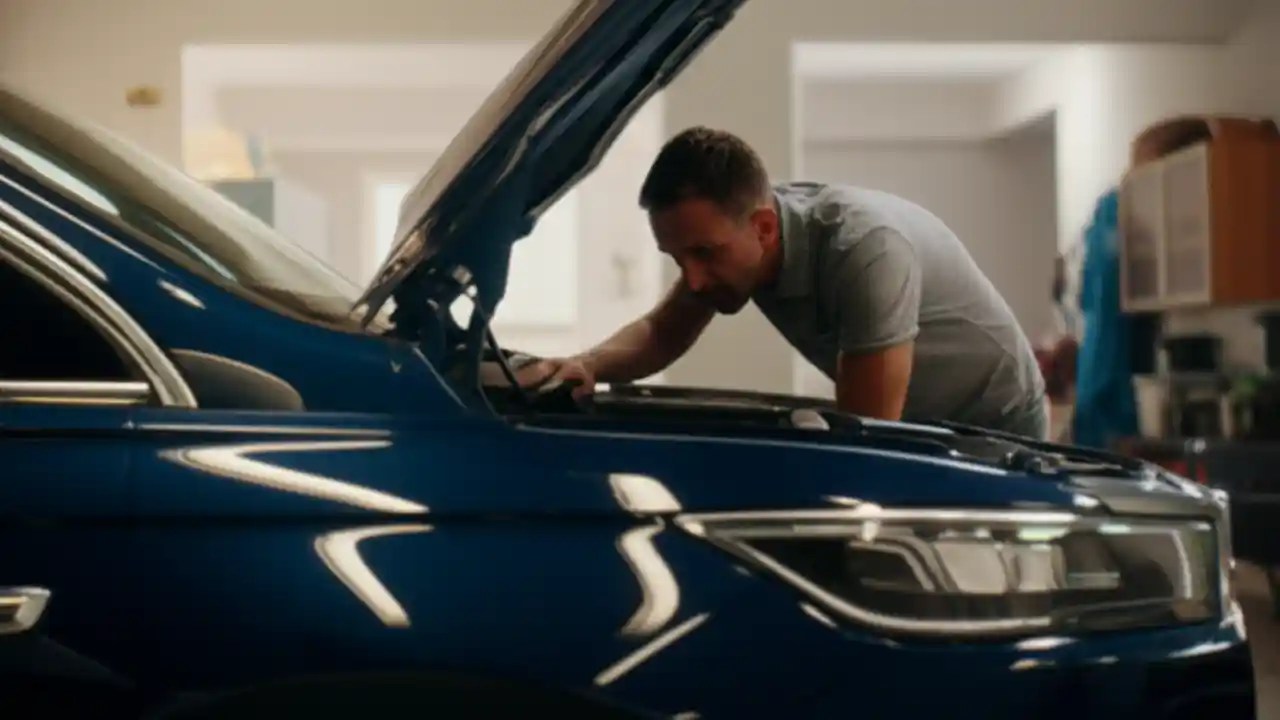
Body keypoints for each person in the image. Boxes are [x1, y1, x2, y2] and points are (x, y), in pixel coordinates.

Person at [518, 126, 1048, 438]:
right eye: (678, 259)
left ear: (764, 228)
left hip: (999, 425)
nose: (694, 280)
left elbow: (866, 439)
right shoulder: (740, 241)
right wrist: (586, 364)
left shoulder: (864, 249)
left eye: (704, 254)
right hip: (923, 422)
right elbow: (663, 332)